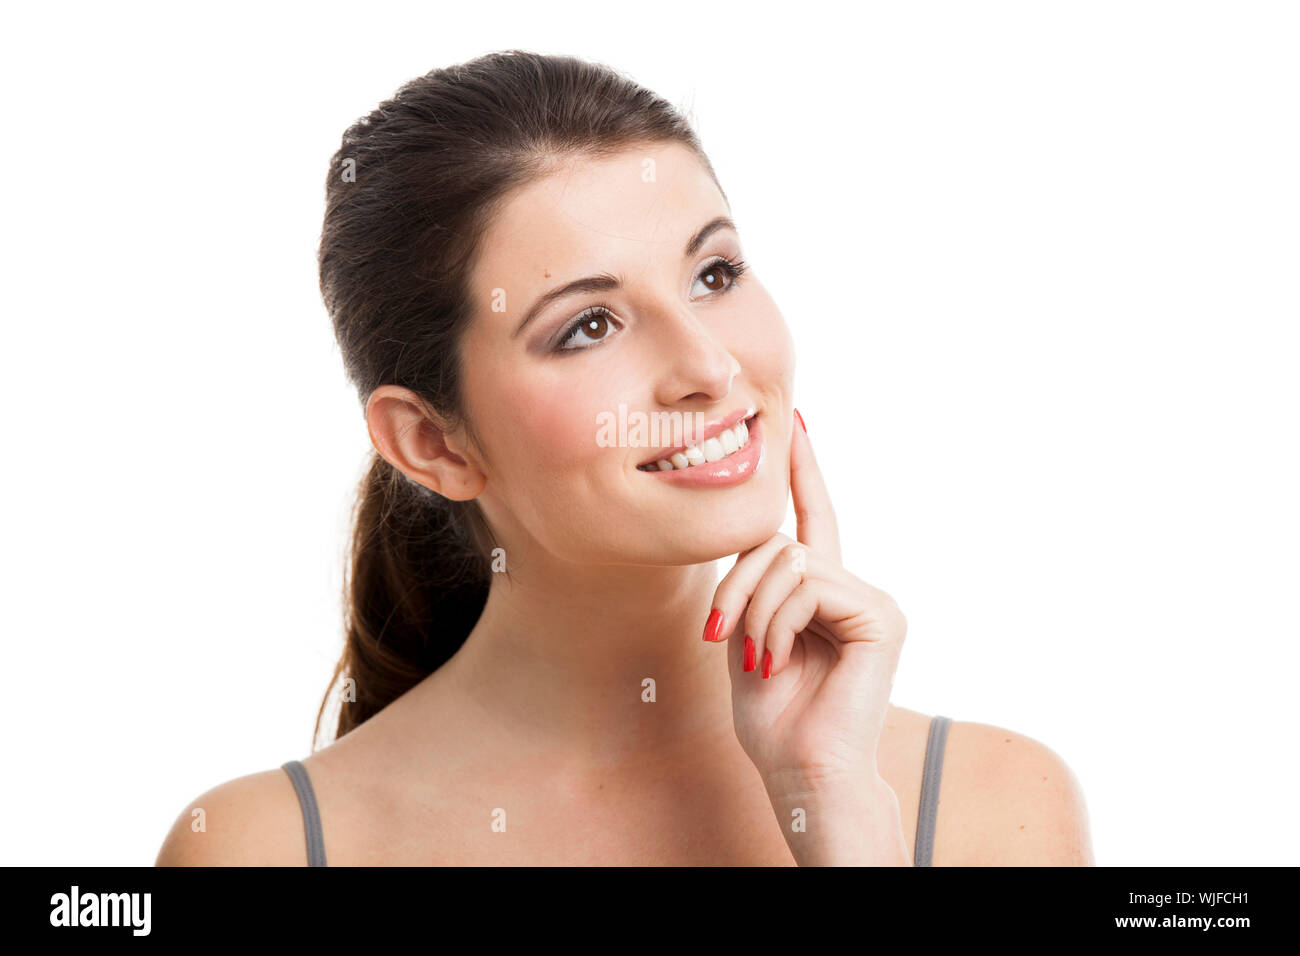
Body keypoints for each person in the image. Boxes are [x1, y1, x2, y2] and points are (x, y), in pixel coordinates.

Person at [156, 50, 1094, 866]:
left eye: (714, 275)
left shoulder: (991, 804)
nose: (710, 367)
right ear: (432, 442)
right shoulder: (259, 847)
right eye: (590, 326)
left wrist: (832, 803)